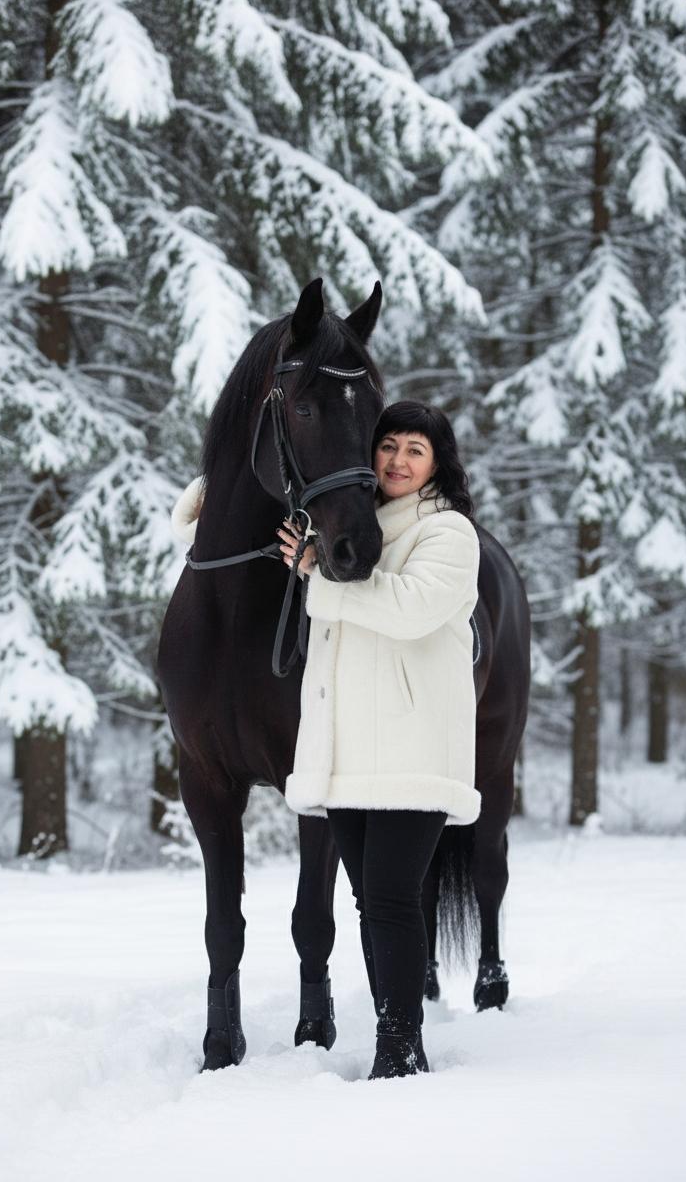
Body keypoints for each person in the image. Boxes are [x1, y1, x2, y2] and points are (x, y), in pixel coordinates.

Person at [279, 400, 480, 1080]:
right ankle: (394, 1037)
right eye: (387, 445)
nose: (396, 459)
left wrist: (320, 578)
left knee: (391, 897)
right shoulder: (353, 530)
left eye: (414, 450)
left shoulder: (447, 532)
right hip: (350, 752)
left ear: (437, 463)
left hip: (411, 746)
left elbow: (412, 610)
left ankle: (401, 1046)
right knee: (372, 899)